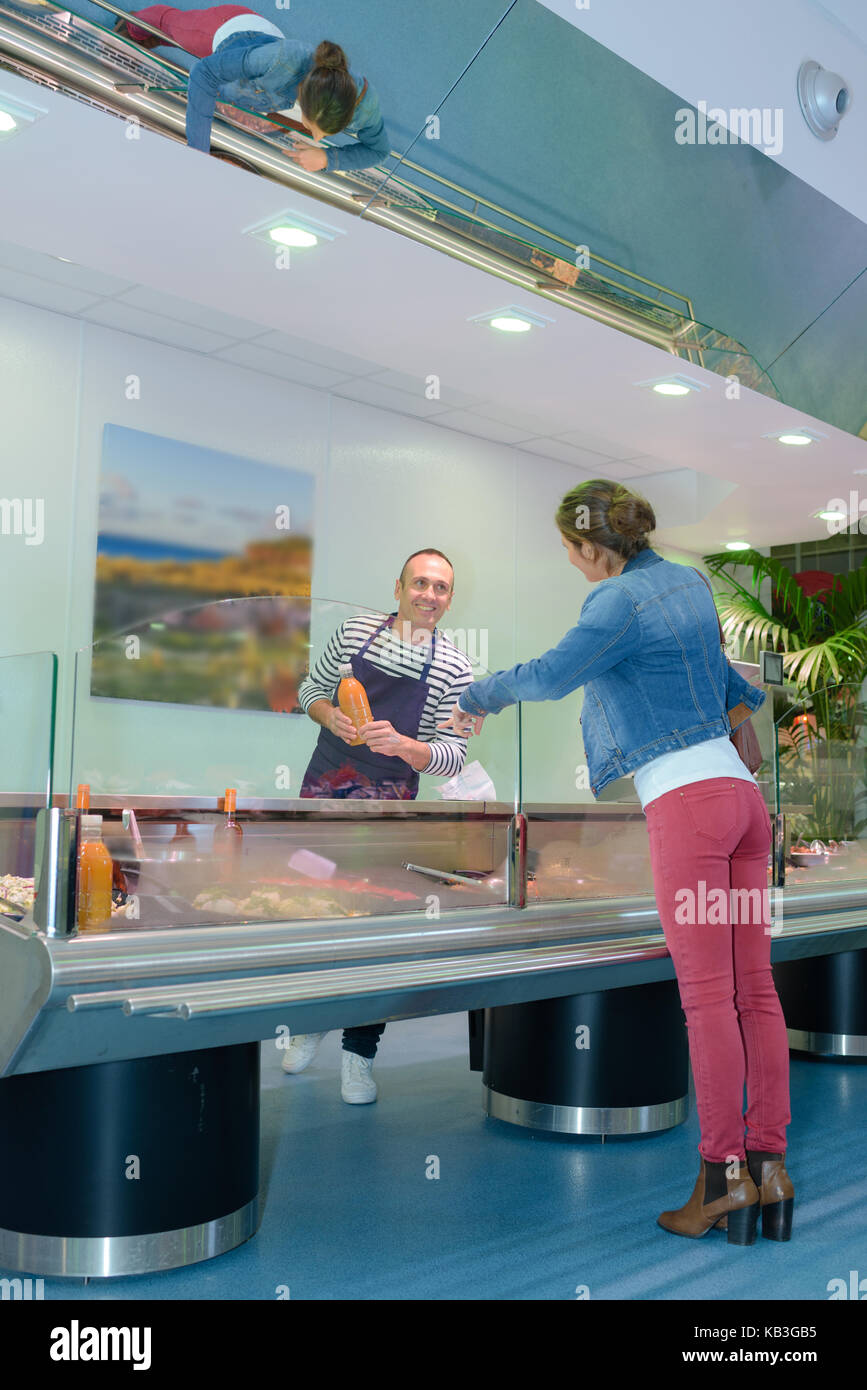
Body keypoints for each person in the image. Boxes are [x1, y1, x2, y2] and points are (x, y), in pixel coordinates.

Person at [441, 480, 794, 1247]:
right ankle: (769, 1168)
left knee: (707, 1000)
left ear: (585, 547)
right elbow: (733, 686)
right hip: (742, 808)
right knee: (754, 991)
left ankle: (719, 1179)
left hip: (690, 808)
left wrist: (477, 693)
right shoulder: (686, 584)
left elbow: (549, 675)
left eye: (567, 549)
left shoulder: (613, 603)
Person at [282, 548, 473, 1103]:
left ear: (449, 598)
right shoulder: (353, 633)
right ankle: (310, 1019)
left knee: (376, 924)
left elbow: (453, 755)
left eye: (441, 588)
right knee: (313, 907)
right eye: (420, 583)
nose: (429, 596)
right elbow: (309, 693)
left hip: (392, 806)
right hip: (324, 793)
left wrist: (411, 747)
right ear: (398, 587)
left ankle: (359, 1053)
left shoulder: (455, 667)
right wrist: (329, 716)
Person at [116, 8, 390, 171]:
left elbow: (379, 151)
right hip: (228, 32)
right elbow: (205, 74)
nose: (316, 139)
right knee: (173, 27)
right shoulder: (280, 58)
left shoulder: (364, 106)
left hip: (251, 77)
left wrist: (328, 158)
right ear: (302, 94)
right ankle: (133, 26)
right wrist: (197, 151)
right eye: (314, 127)